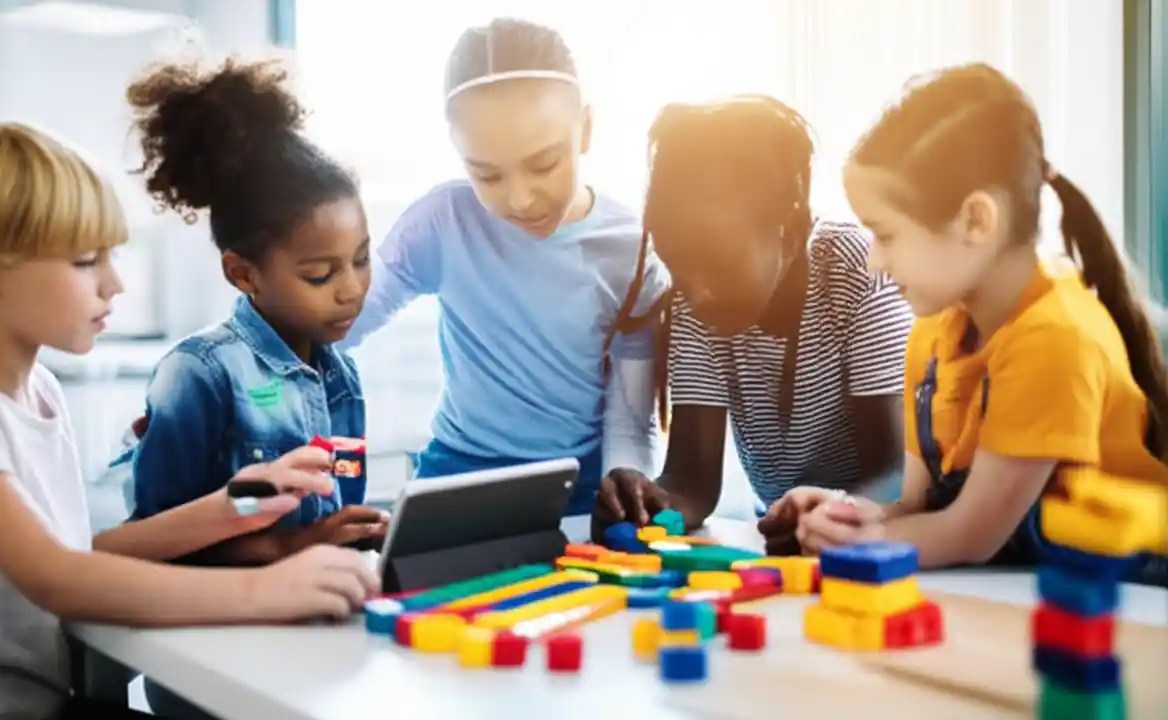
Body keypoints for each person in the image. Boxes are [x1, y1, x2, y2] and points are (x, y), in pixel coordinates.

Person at [0, 121, 378, 720]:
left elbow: (82, 549)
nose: (115, 284)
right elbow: (55, 577)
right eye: (86, 261)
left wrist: (239, 504)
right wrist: (264, 590)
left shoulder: (36, 388)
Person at [788, 64, 1168, 580]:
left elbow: (970, 534)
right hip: (1019, 587)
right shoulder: (932, 332)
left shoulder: (1055, 337)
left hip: (1130, 598)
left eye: (887, 235)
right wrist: (847, 514)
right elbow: (923, 512)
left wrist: (866, 542)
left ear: (976, 221)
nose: (874, 261)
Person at [339, 18, 669, 516]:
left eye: (544, 164)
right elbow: (336, 319)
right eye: (485, 173)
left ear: (585, 129)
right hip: (455, 472)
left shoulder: (632, 250)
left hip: (577, 485)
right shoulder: (443, 221)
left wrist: (625, 481)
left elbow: (629, 413)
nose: (519, 199)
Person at [592, 96, 913, 547]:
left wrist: (835, 512)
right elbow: (694, 481)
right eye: (678, 266)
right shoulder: (694, 303)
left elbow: (896, 472)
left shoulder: (861, 276)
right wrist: (646, 500)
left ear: (789, 227)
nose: (696, 293)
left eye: (718, 265)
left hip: (881, 541)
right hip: (796, 542)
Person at [110, 56, 389, 567]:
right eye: (320, 275)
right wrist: (293, 545)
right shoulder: (198, 373)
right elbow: (151, 539)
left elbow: (335, 515)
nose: (352, 290)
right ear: (243, 273)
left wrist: (356, 532)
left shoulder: (342, 375)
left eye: (362, 259)